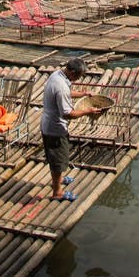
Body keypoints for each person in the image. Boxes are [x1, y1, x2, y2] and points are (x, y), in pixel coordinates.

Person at [41, 57, 101, 202]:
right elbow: (67, 114)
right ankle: (57, 193)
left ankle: (59, 180)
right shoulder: (60, 86)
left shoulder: (57, 75)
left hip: (50, 124)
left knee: (59, 158)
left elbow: (66, 93)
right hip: (55, 128)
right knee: (57, 160)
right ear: (73, 72)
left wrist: (83, 94)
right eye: (79, 76)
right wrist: (88, 111)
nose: (78, 79)